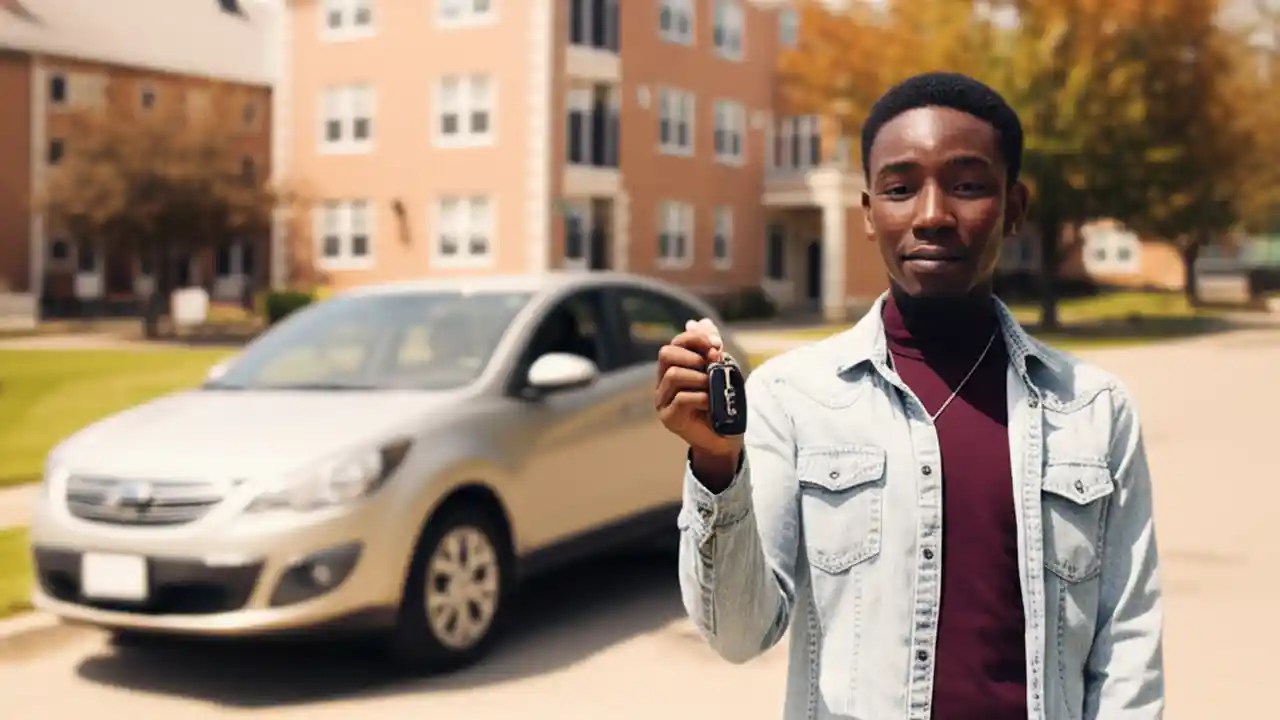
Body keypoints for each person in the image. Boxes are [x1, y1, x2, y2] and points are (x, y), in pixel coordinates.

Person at [655, 72, 1164, 720]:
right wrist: (717, 466)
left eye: (968, 185)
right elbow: (738, 635)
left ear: (1014, 208)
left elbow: (1129, 646)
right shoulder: (793, 397)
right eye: (900, 188)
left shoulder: (1095, 411)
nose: (932, 215)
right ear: (869, 214)